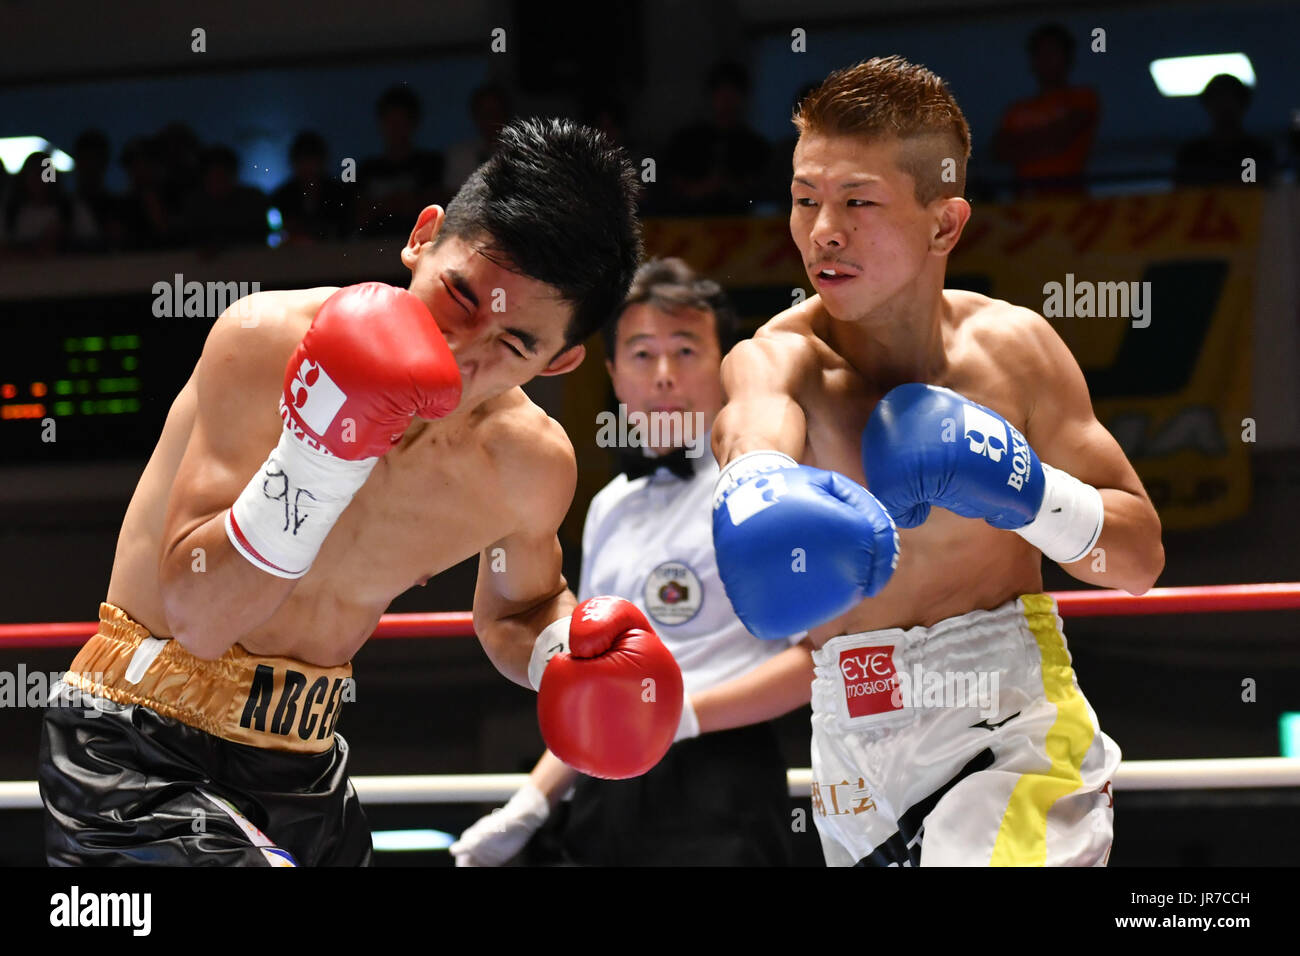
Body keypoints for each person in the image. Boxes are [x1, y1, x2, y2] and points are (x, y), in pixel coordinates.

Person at [37, 118, 678, 866]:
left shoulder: (528, 465)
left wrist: (564, 652)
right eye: (460, 297)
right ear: (423, 238)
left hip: (306, 766)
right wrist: (322, 453)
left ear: (561, 360)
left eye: (514, 343)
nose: (461, 350)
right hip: (137, 744)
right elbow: (200, 618)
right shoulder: (265, 341)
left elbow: (519, 608)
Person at [710, 57, 1163, 867]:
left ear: (944, 225)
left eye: (858, 201)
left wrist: (1027, 492)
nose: (824, 231)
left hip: (1010, 722)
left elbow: (1137, 563)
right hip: (851, 754)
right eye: (806, 198)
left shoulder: (1016, 353)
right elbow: (753, 431)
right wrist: (756, 486)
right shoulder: (778, 361)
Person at [451, 258, 814, 866]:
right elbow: (593, 679)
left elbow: (816, 659)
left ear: (728, 366)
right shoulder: (608, 508)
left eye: (686, 351)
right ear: (615, 375)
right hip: (607, 778)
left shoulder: (763, 489)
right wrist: (531, 801)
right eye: (643, 354)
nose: (664, 376)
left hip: (725, 778)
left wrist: (683, 718)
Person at [993, 23, 1099, 195]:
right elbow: (1000, 152)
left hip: (1069, 200)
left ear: (1068, 58)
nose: (1047, 60)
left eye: (1053, 52)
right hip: (1027, 202)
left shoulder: (1083, 99)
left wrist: (1023, 143)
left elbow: (1061, 139)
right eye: (1041, 53)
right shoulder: (1016, 110)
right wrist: (1046, 139)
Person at [356, 84, 447, 237]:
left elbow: (439, 207)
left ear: (413, 124)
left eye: (401, 122)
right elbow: (358, 215)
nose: (395, 129)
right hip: (373, 246)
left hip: (421, 245)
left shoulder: (431, 164)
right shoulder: (367, 169)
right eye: (390, 122)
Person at [1174, 74, 1277, 186]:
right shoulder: (1191, 156)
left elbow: (1260, 187)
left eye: (1231, 100)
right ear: (1208, 105)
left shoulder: (1258, 153)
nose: (1225, 107)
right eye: (1218, 100)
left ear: (1243, 104)